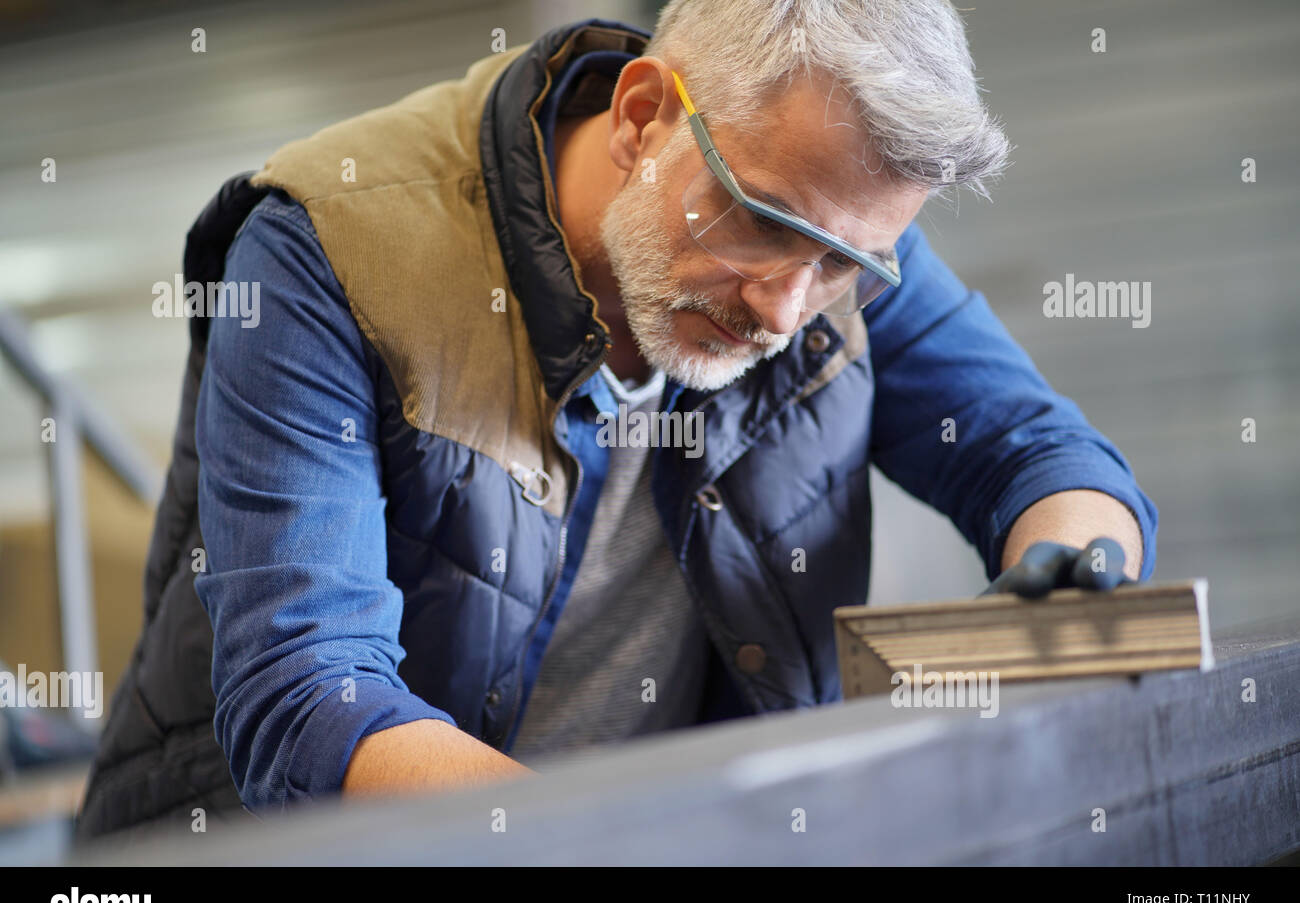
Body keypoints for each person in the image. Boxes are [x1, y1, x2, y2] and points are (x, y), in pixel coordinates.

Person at [75, 0, 1157, 842]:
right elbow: (311, 704)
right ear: (643, 116)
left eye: (840, 263)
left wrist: (1070, 570)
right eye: (762, 224)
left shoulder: (838, 250)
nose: (785, 310)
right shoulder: (326, 255)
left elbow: (1036, 452)